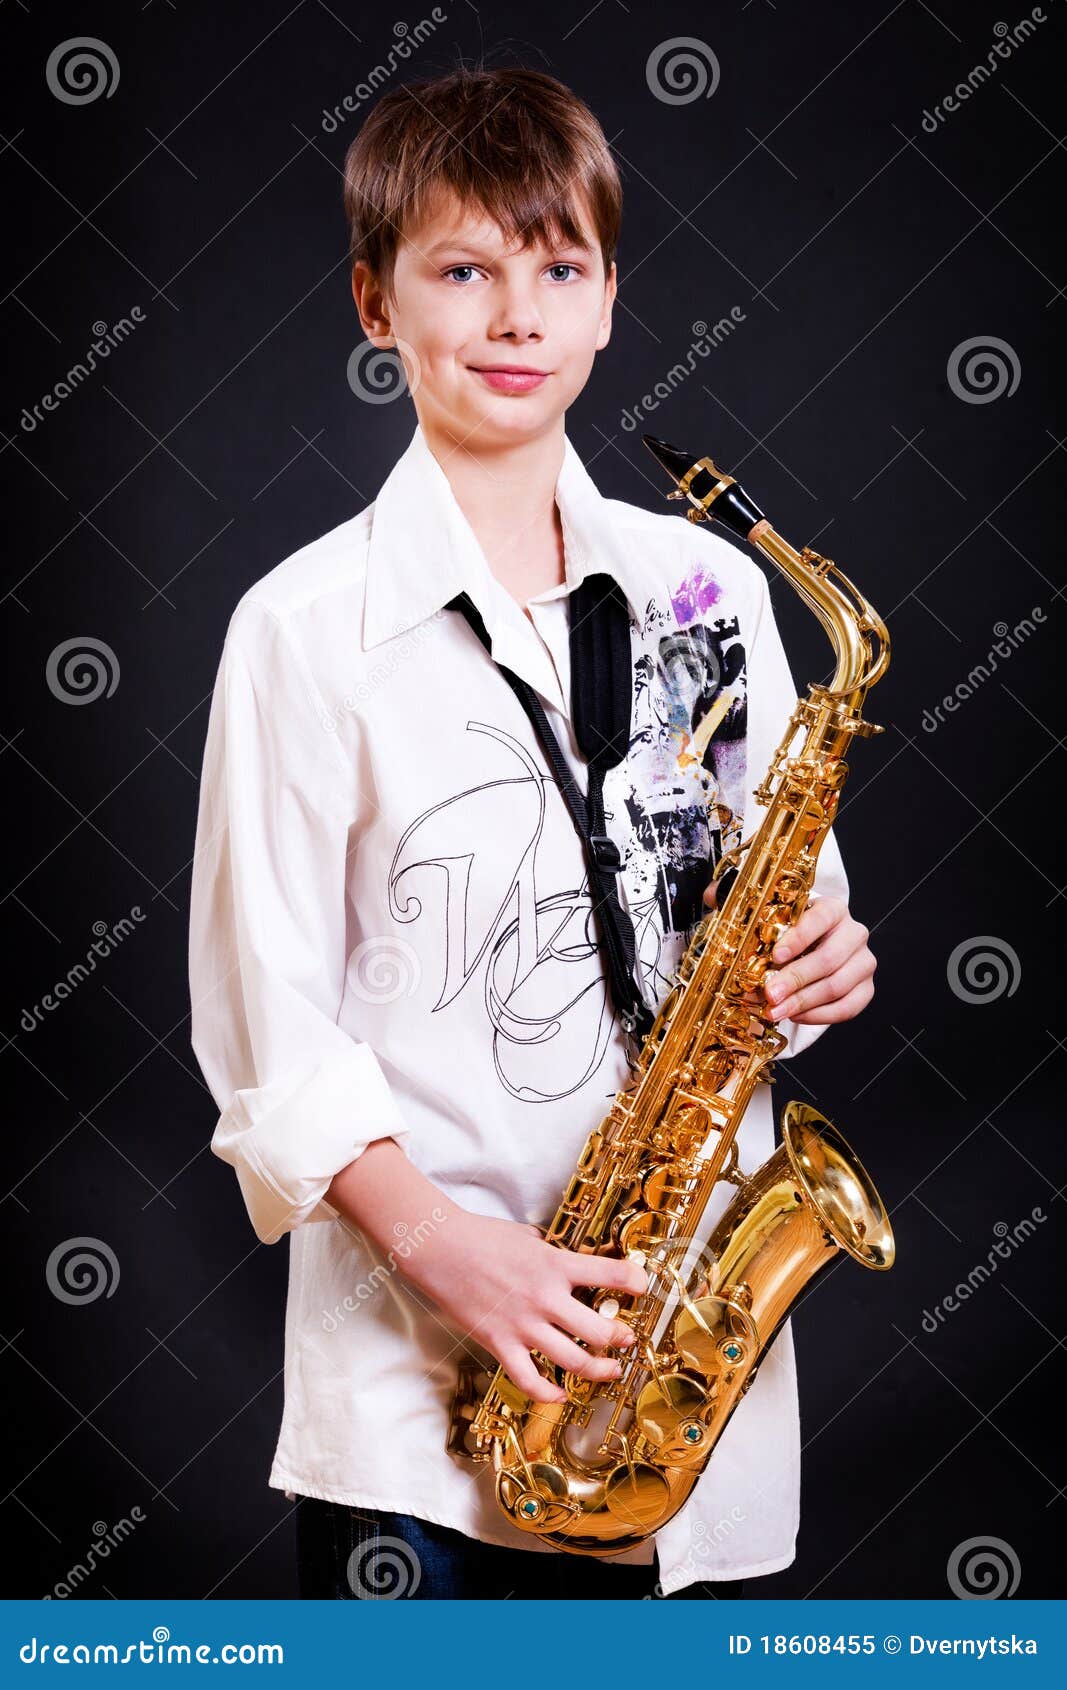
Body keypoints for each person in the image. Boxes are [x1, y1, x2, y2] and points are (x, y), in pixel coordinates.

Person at [188, 63, 877, 1602]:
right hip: (421, 1405)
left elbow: (775, 902)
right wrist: (450, 1250)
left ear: (612, 299)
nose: (517, 316)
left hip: (690, 1378)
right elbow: (268, 1036)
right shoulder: (302, 629)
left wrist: (825, 954)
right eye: (463, 269)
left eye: (558, 267)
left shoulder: (714, 590)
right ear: (377, 304)